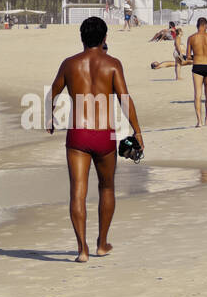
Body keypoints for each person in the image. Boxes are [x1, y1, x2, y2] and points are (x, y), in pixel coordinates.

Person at [47, 16, 143, 263]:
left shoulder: (70, 64)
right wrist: (137, 131)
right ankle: (102, 243)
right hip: (105, 134)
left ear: (81, 37)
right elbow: (124, 98)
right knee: (107, 187)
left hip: (78, 133)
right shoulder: (112, 64)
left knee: (77, 193)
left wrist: (50, 118)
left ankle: (82, 249)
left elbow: (53, 92)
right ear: (104, 38)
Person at [185, 17, 207, 126]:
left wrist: (195, 56)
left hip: (197, 66)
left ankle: (199, 121)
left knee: (197, 95)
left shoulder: (191, 38)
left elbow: (188, 56)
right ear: (205, 26)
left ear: (197, 25)